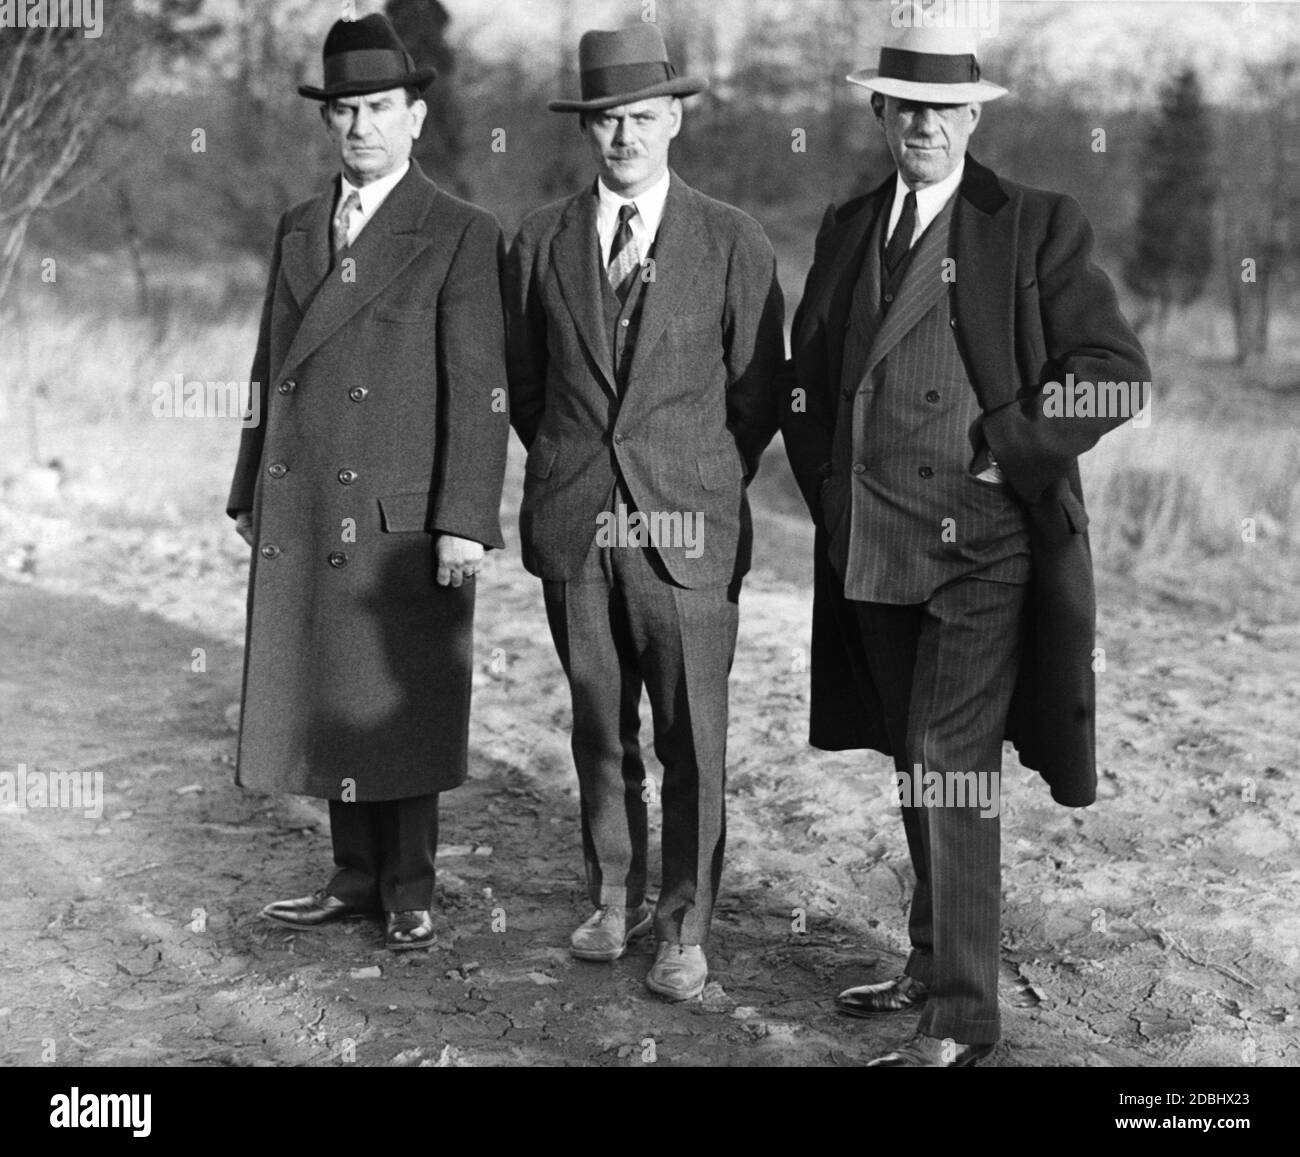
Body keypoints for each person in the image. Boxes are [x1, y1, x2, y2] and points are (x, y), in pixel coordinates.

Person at [781, 23, 1150, 1065]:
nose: (926, 126)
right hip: (872, 542)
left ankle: (961, 1017)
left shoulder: (1032, 224)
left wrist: (1010, 445)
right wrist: (827, 483)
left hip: (982, 548)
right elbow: (810, 369)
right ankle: (931, 951)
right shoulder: (848, 222)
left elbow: (1116, 370)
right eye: (906, 107)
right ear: (879, 116)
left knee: (950, 759)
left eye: (945, 109)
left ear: (974, 115)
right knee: (914, 759)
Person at [505, 23, 784, 1000]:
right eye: (605, 119)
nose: (622, 135)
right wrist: (583, 472)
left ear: (675, 118)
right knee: (597, 724)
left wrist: (693, 477)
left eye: (640, 116)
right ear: (588, 129)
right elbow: (528, 391)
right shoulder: (536, 240)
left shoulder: (732, 240)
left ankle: (686, 929)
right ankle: (611, 897)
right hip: (576, 523)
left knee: (691, 736)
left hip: (686, 531)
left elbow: (756, 396)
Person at [226, 13, 509, 952]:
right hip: (307, 498)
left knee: (403, 694)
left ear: (415, 117)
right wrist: (247, 488)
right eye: (345, 110)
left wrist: (465, 517)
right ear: (328, 121)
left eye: (380, 108)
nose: (361, 127)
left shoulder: (460, 231)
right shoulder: (299, 227)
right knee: (326, 686)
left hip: (403, 509)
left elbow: (480, 391)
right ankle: (353, 877)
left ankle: (411, 884)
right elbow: (272, 371)